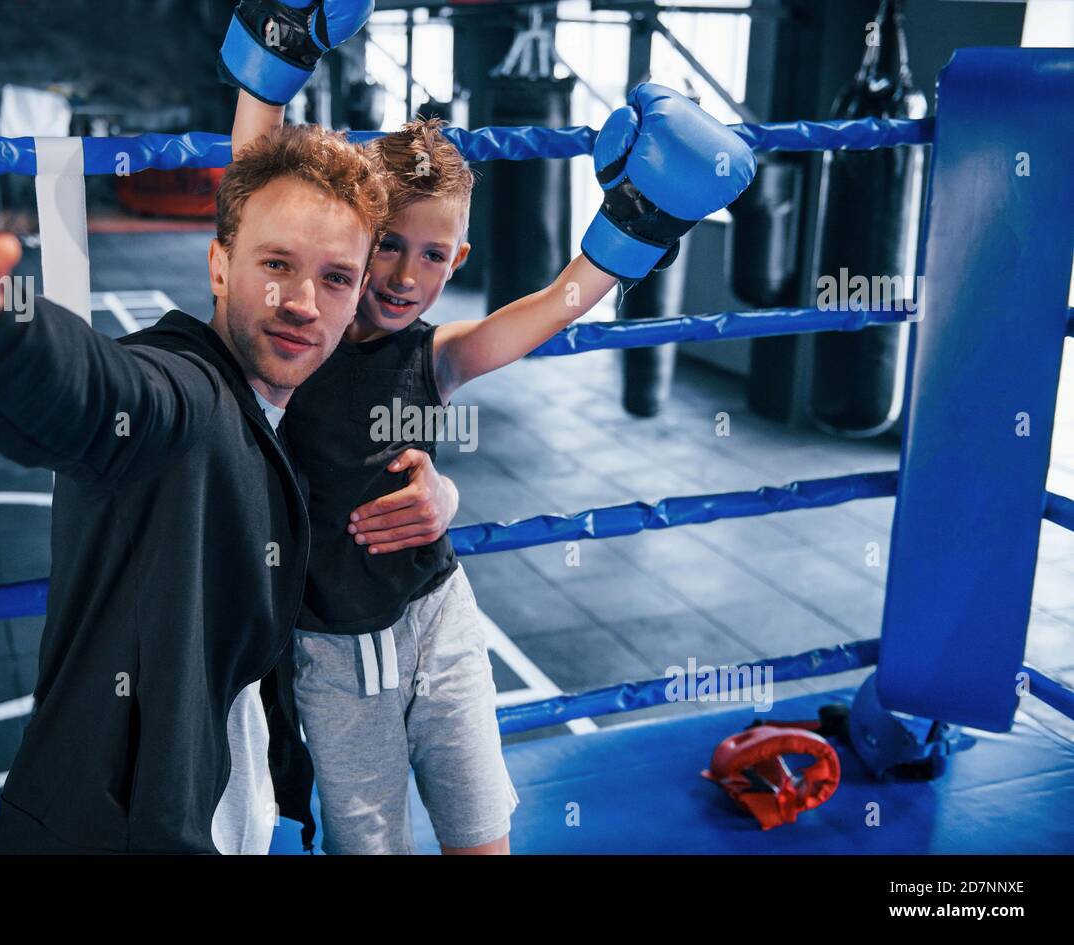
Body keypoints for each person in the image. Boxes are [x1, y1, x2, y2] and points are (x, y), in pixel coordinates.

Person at [0, 120, 459, 854]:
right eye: (276, 263)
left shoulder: (283, 412)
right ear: (219, 265)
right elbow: (99, 393)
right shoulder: (187, 395)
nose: (304, 301)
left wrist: (442, 492)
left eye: (336, 276)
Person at [224, 44, 757, 851]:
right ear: (355, 240)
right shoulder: (298, 336)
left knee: (482, 834)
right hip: (331, 651)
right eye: (389, 246)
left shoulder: (439, 353)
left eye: (434, 254)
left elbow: (553, 306)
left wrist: (638, 219)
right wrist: (276, 50)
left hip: (440, 618)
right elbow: (255, 194)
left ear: (459, 260)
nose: (405, 275)